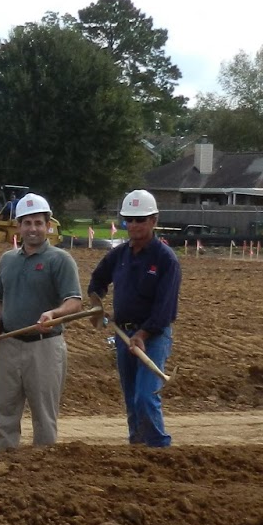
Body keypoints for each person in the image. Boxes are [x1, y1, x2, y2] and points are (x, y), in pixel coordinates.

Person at [0, 193, 82, 449]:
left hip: (44, 346)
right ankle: (3, 459)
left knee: (44, 413)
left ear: (48, 226)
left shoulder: (60, 260)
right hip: (9, 343)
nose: (33, 228)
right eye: (27, 223)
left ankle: (43, 465)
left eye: (38, 223)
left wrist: (53, 314)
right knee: (4, 408)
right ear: (19, 226)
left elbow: (75, 301)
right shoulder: (8, 260)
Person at [87, 188, 181, 447]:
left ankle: (159, 447)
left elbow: (165, 310)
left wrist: (142, 334)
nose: (135, 225)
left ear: (154, 221)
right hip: (123, 334)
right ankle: (137, 447)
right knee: (131, 397)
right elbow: (98, 280)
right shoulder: (120, 255)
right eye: (130, 219)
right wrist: (96, 303)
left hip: (152, 337)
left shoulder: (166, 260)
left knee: (145, 396)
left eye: (141, 219)